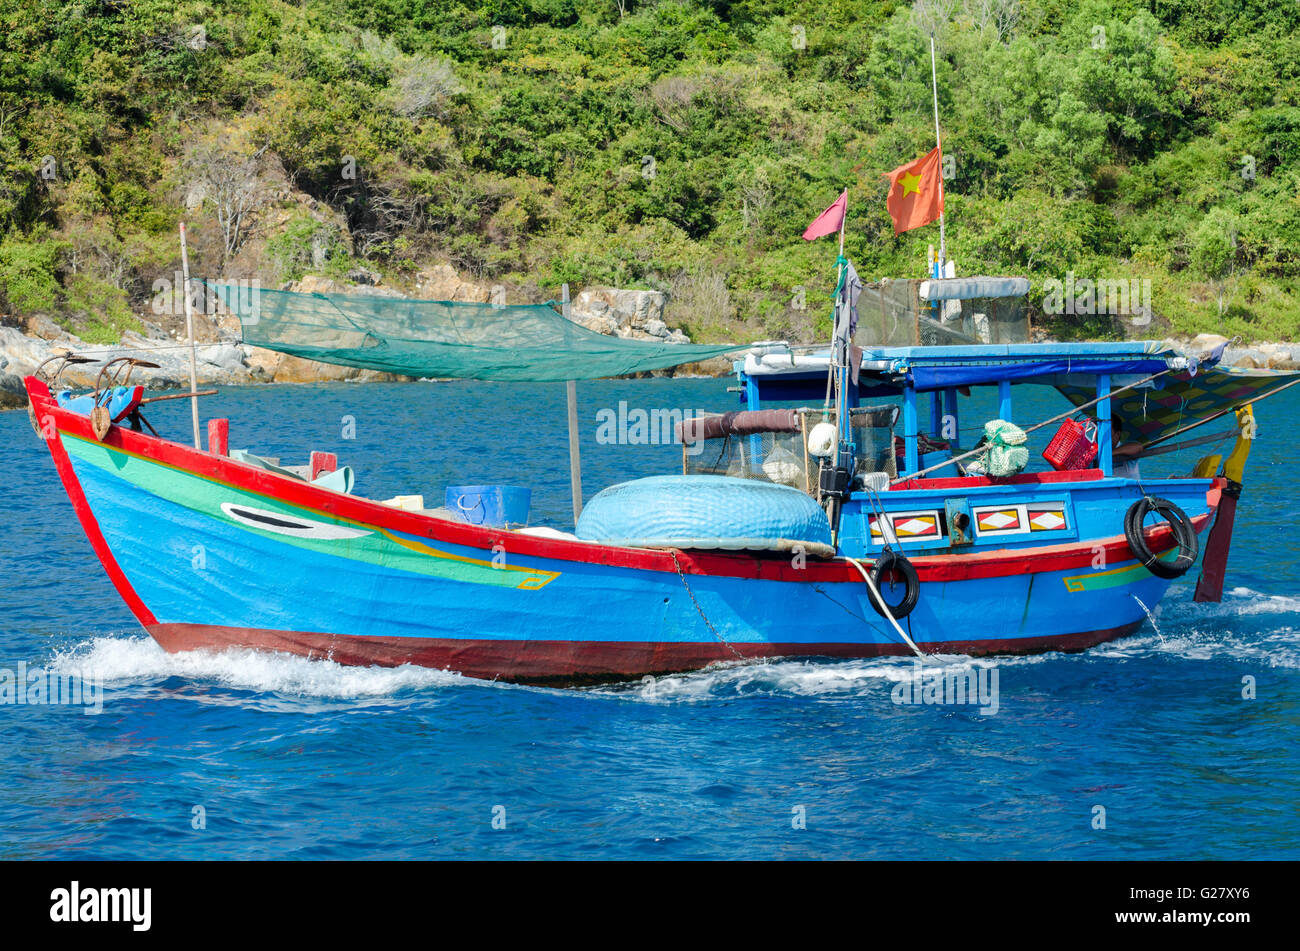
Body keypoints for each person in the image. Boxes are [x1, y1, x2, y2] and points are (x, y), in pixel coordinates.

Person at [1111, 412, 1143, 479]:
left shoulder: (1126, 448)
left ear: (1117, 434)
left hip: (1131, 489)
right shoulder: (1094, 454)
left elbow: (1138, 447)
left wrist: (1111, 453)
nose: (1098, 435)